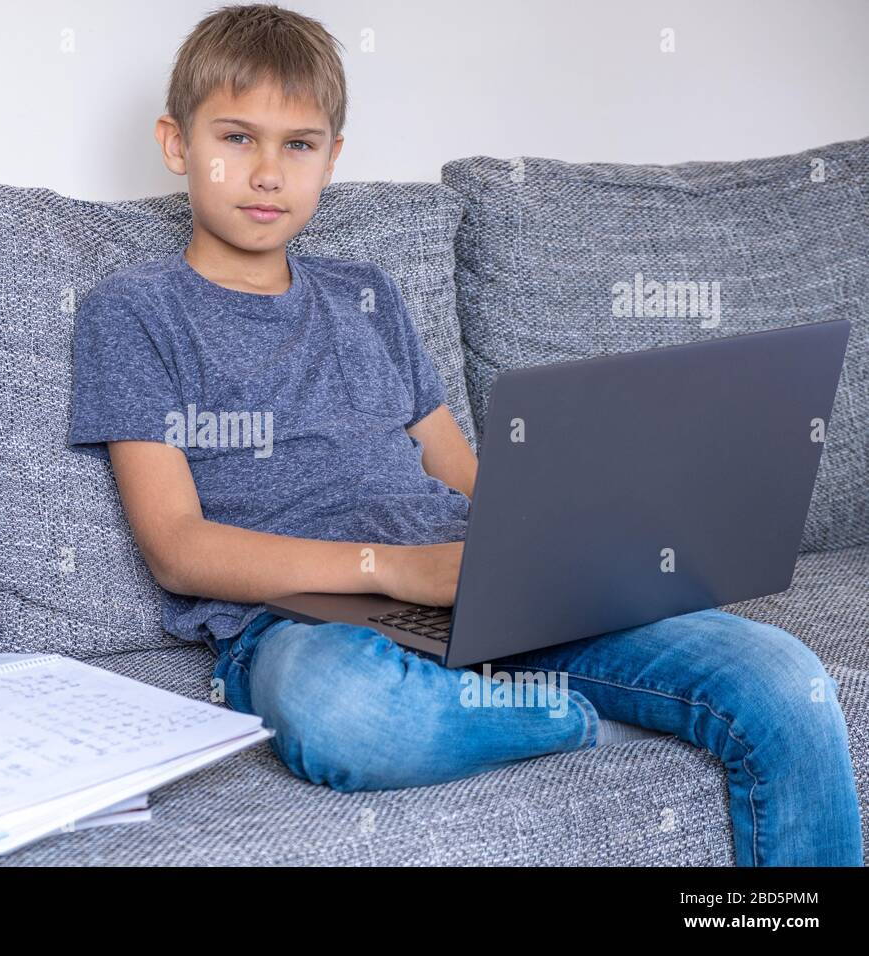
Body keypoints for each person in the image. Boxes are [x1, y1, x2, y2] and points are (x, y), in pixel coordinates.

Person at [65, 3, 862, 866]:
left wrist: (579, 540)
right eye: (236, 138)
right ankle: (585, 719)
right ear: (176, 144)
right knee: (347, 715)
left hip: (476, 585)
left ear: (332, 158)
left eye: (298, 144)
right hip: (301, 621)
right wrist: (396, 570)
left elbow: (464, 473)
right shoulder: (133, 311)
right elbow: (179, 548)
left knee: (789, 685)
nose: (266, 172)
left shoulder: (365, 291)